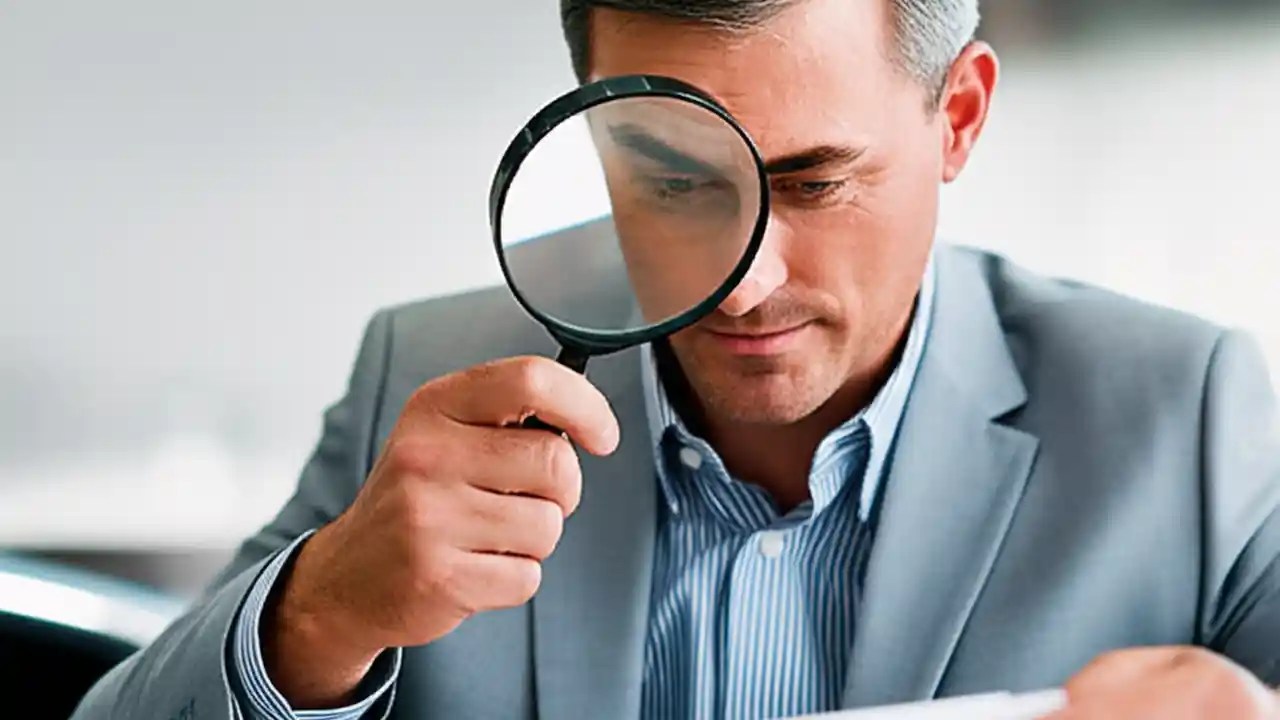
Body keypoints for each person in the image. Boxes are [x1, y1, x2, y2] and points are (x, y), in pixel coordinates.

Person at [74, 0, 1280, 718]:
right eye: (670, 182)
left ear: (956, 116)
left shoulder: (1187, 421)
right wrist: (323, 609)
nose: (742, 284)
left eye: (813, 183)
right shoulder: (424, 375)